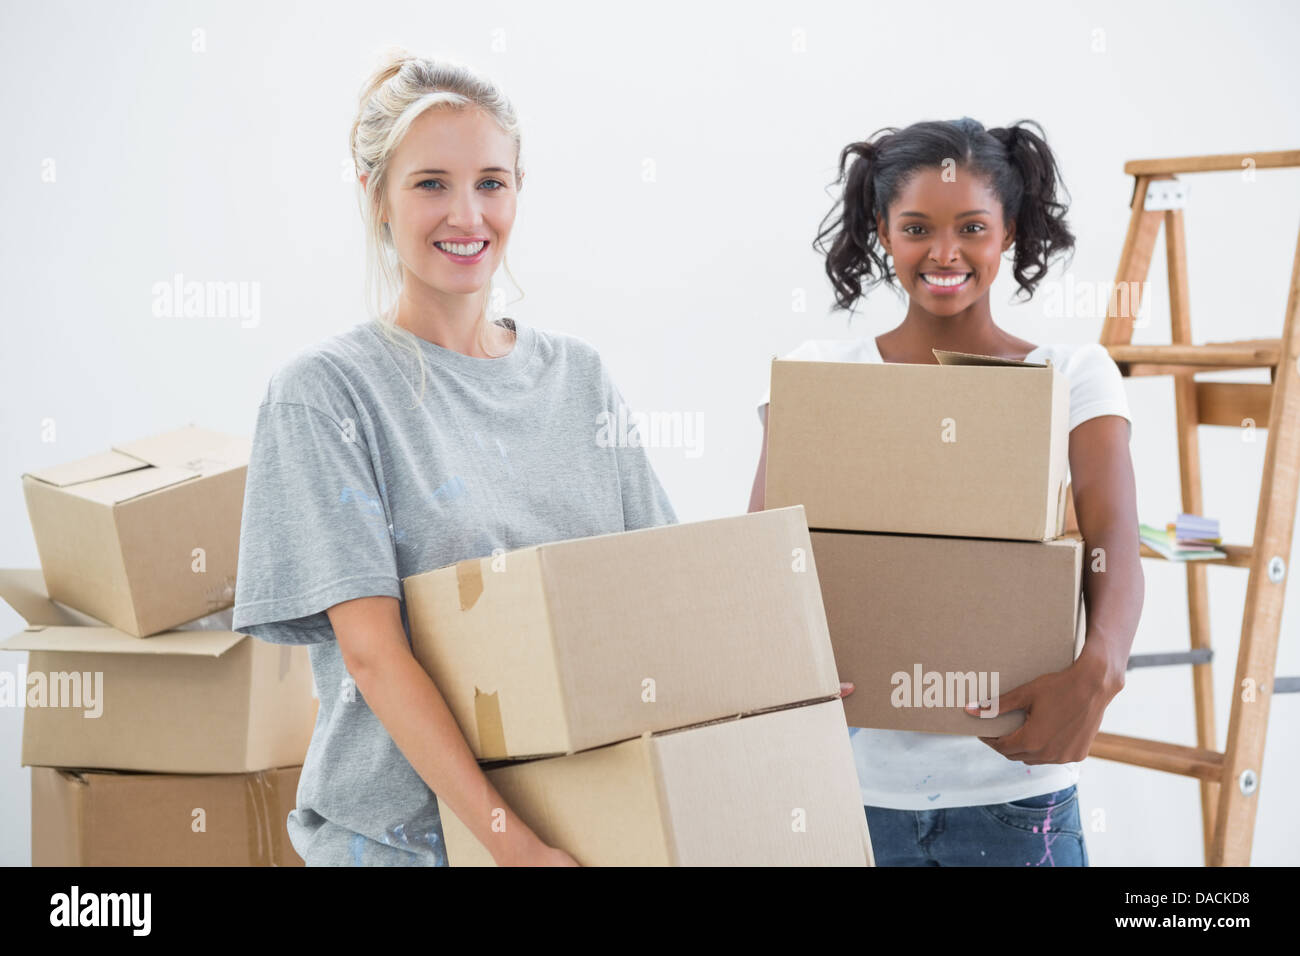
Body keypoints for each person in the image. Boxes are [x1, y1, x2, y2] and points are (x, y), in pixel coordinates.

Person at [231, 51, 677, 866]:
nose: (467, 214)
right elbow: (371, 652)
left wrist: (778, 684)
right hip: (408, 843)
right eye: (431, 183)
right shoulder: (326, 394)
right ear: (377, 199)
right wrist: (511, 845)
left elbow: (660, 588)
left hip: (589, 826)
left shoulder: (577, 378)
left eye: (492, 183)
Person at [749, 118, 1143, 866]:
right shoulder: (821, 372)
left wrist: (1102, 668)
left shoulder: (1072, 374)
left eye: (972, 227)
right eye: (917, 228)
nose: (945, 253)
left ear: (1010, 232)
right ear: (882, 234)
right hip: (854, 795)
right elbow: (768, 555)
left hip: (1012, 793)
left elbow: (1113, 545)